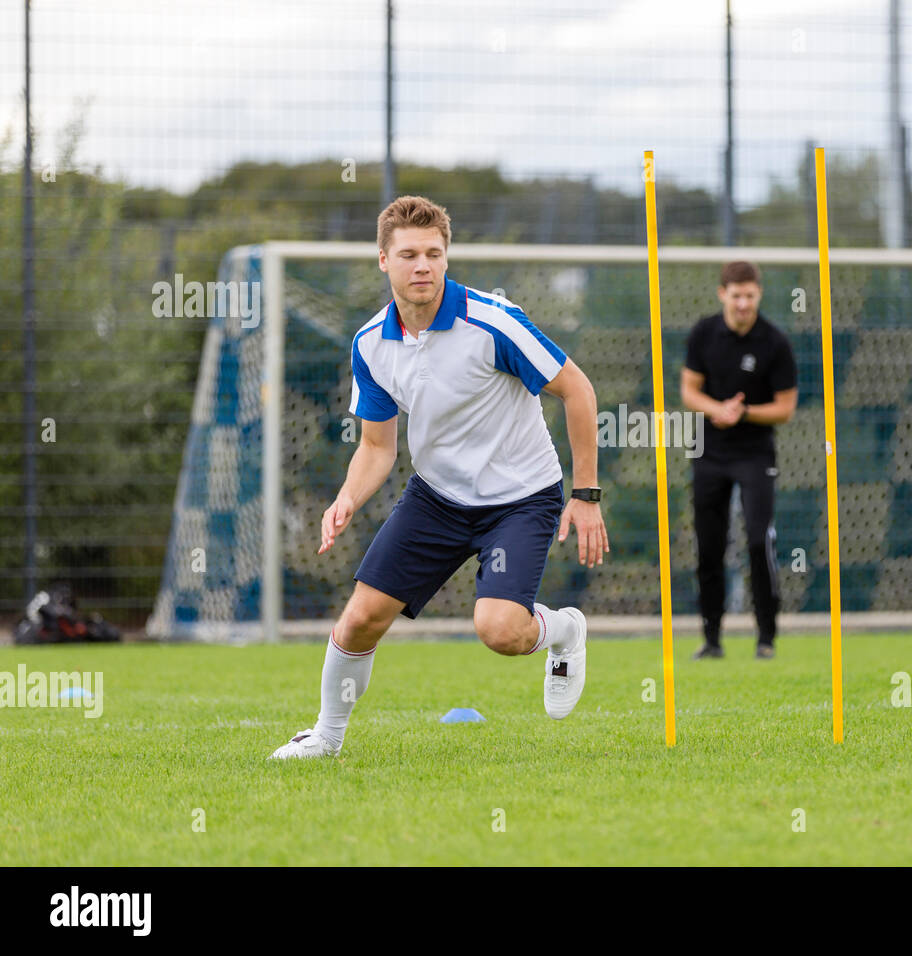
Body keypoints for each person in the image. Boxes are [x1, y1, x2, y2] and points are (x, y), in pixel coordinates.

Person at [271, 196, 608, 759]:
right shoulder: (370, 344)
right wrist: (348, 497)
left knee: (500, 630)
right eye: (408, 255)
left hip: (521, 498)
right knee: (360, 619)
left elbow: (577, 388)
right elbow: (378, 446)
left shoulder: (494, 322)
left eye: (433, 253)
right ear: (384, 260)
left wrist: (586, 494)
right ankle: (325, 739)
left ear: (447, 257)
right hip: (436, 498)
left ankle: (564, 630)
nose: (422, 265)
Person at [681, 261, 797, 660]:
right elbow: (689, 391)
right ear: (722, 294)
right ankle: (711, 639)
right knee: (709, 546)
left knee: (757, 540)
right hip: (709, 453)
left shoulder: (775, 342)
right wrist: (718, 409)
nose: (743, 303)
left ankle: (766, 637)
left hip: (754, 454)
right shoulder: (703, 334)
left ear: (759, 294)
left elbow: (785, 407)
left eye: (750, 295)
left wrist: (743, 413)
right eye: (736, 295)